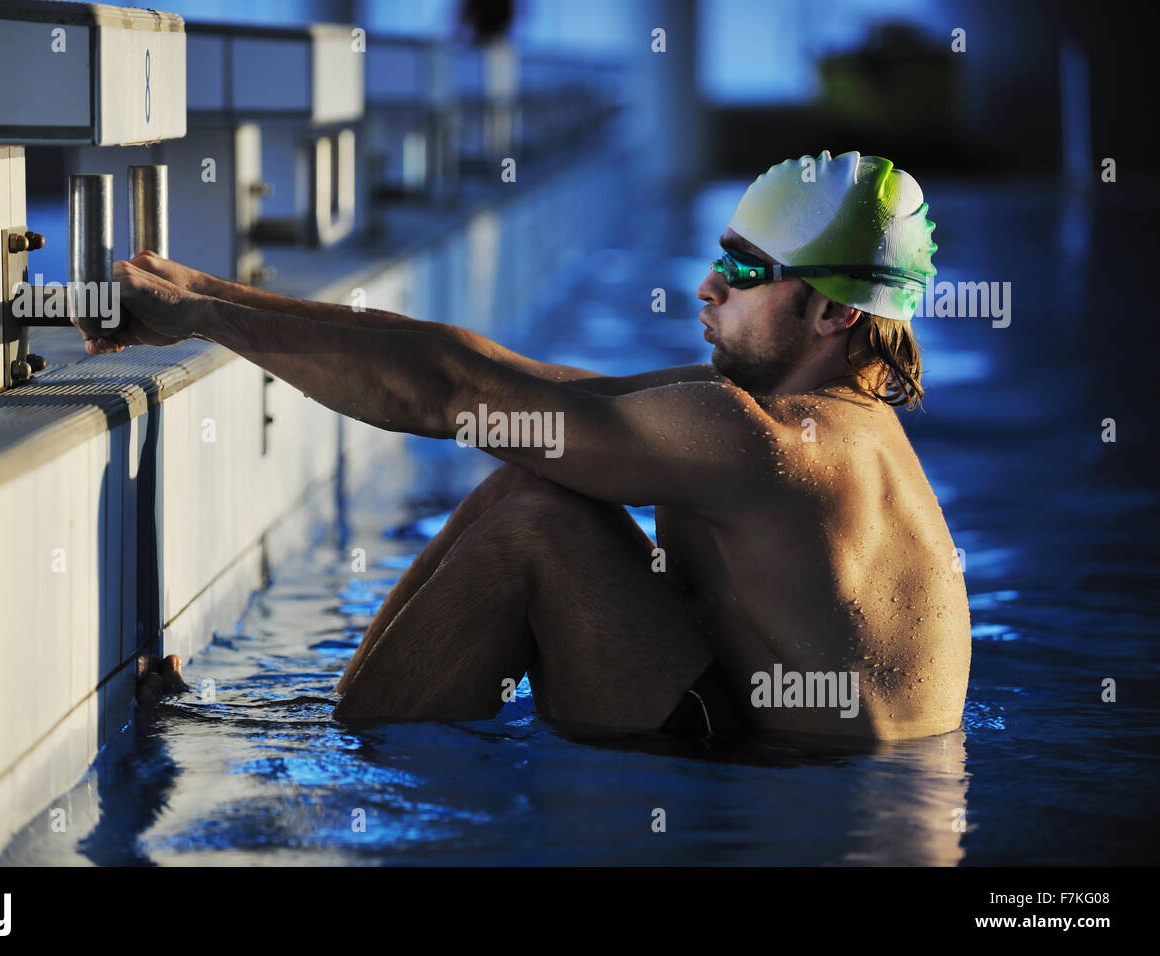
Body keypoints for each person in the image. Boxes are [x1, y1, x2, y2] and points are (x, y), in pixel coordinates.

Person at [80, 149, 970, 741]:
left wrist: (201, 319)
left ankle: (336, 737)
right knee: (534, 474)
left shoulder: (766, 441)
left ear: (834, 311)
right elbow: (497, 378)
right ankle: (340, 712)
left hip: (772, 797)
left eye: (743, 270)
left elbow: (452, 392)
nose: (707, 287)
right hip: (780, 758)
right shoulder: (809, 428)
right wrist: (204, 296)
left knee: (536, 523)